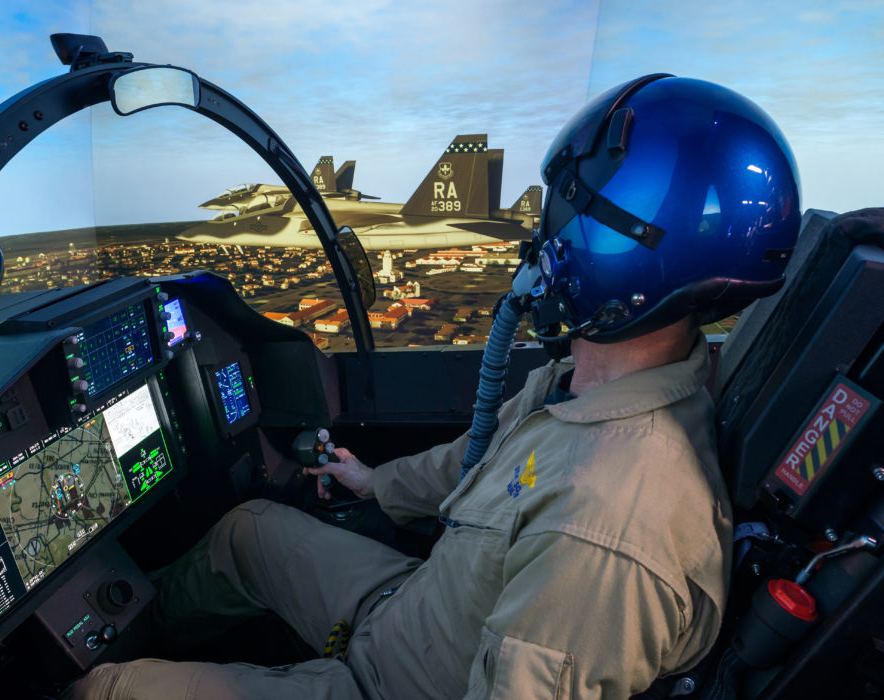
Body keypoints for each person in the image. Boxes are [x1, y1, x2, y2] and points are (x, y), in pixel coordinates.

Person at [67, 74, 802, 699]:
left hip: (383, 684)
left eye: (563, 212)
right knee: (245, 530)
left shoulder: (605, 531)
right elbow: (477, 462)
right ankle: (132, 630)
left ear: (622, 242)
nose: (542, 239)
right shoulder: (580, 386)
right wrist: (373, 482)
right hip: (410, 608)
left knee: (107, 692)